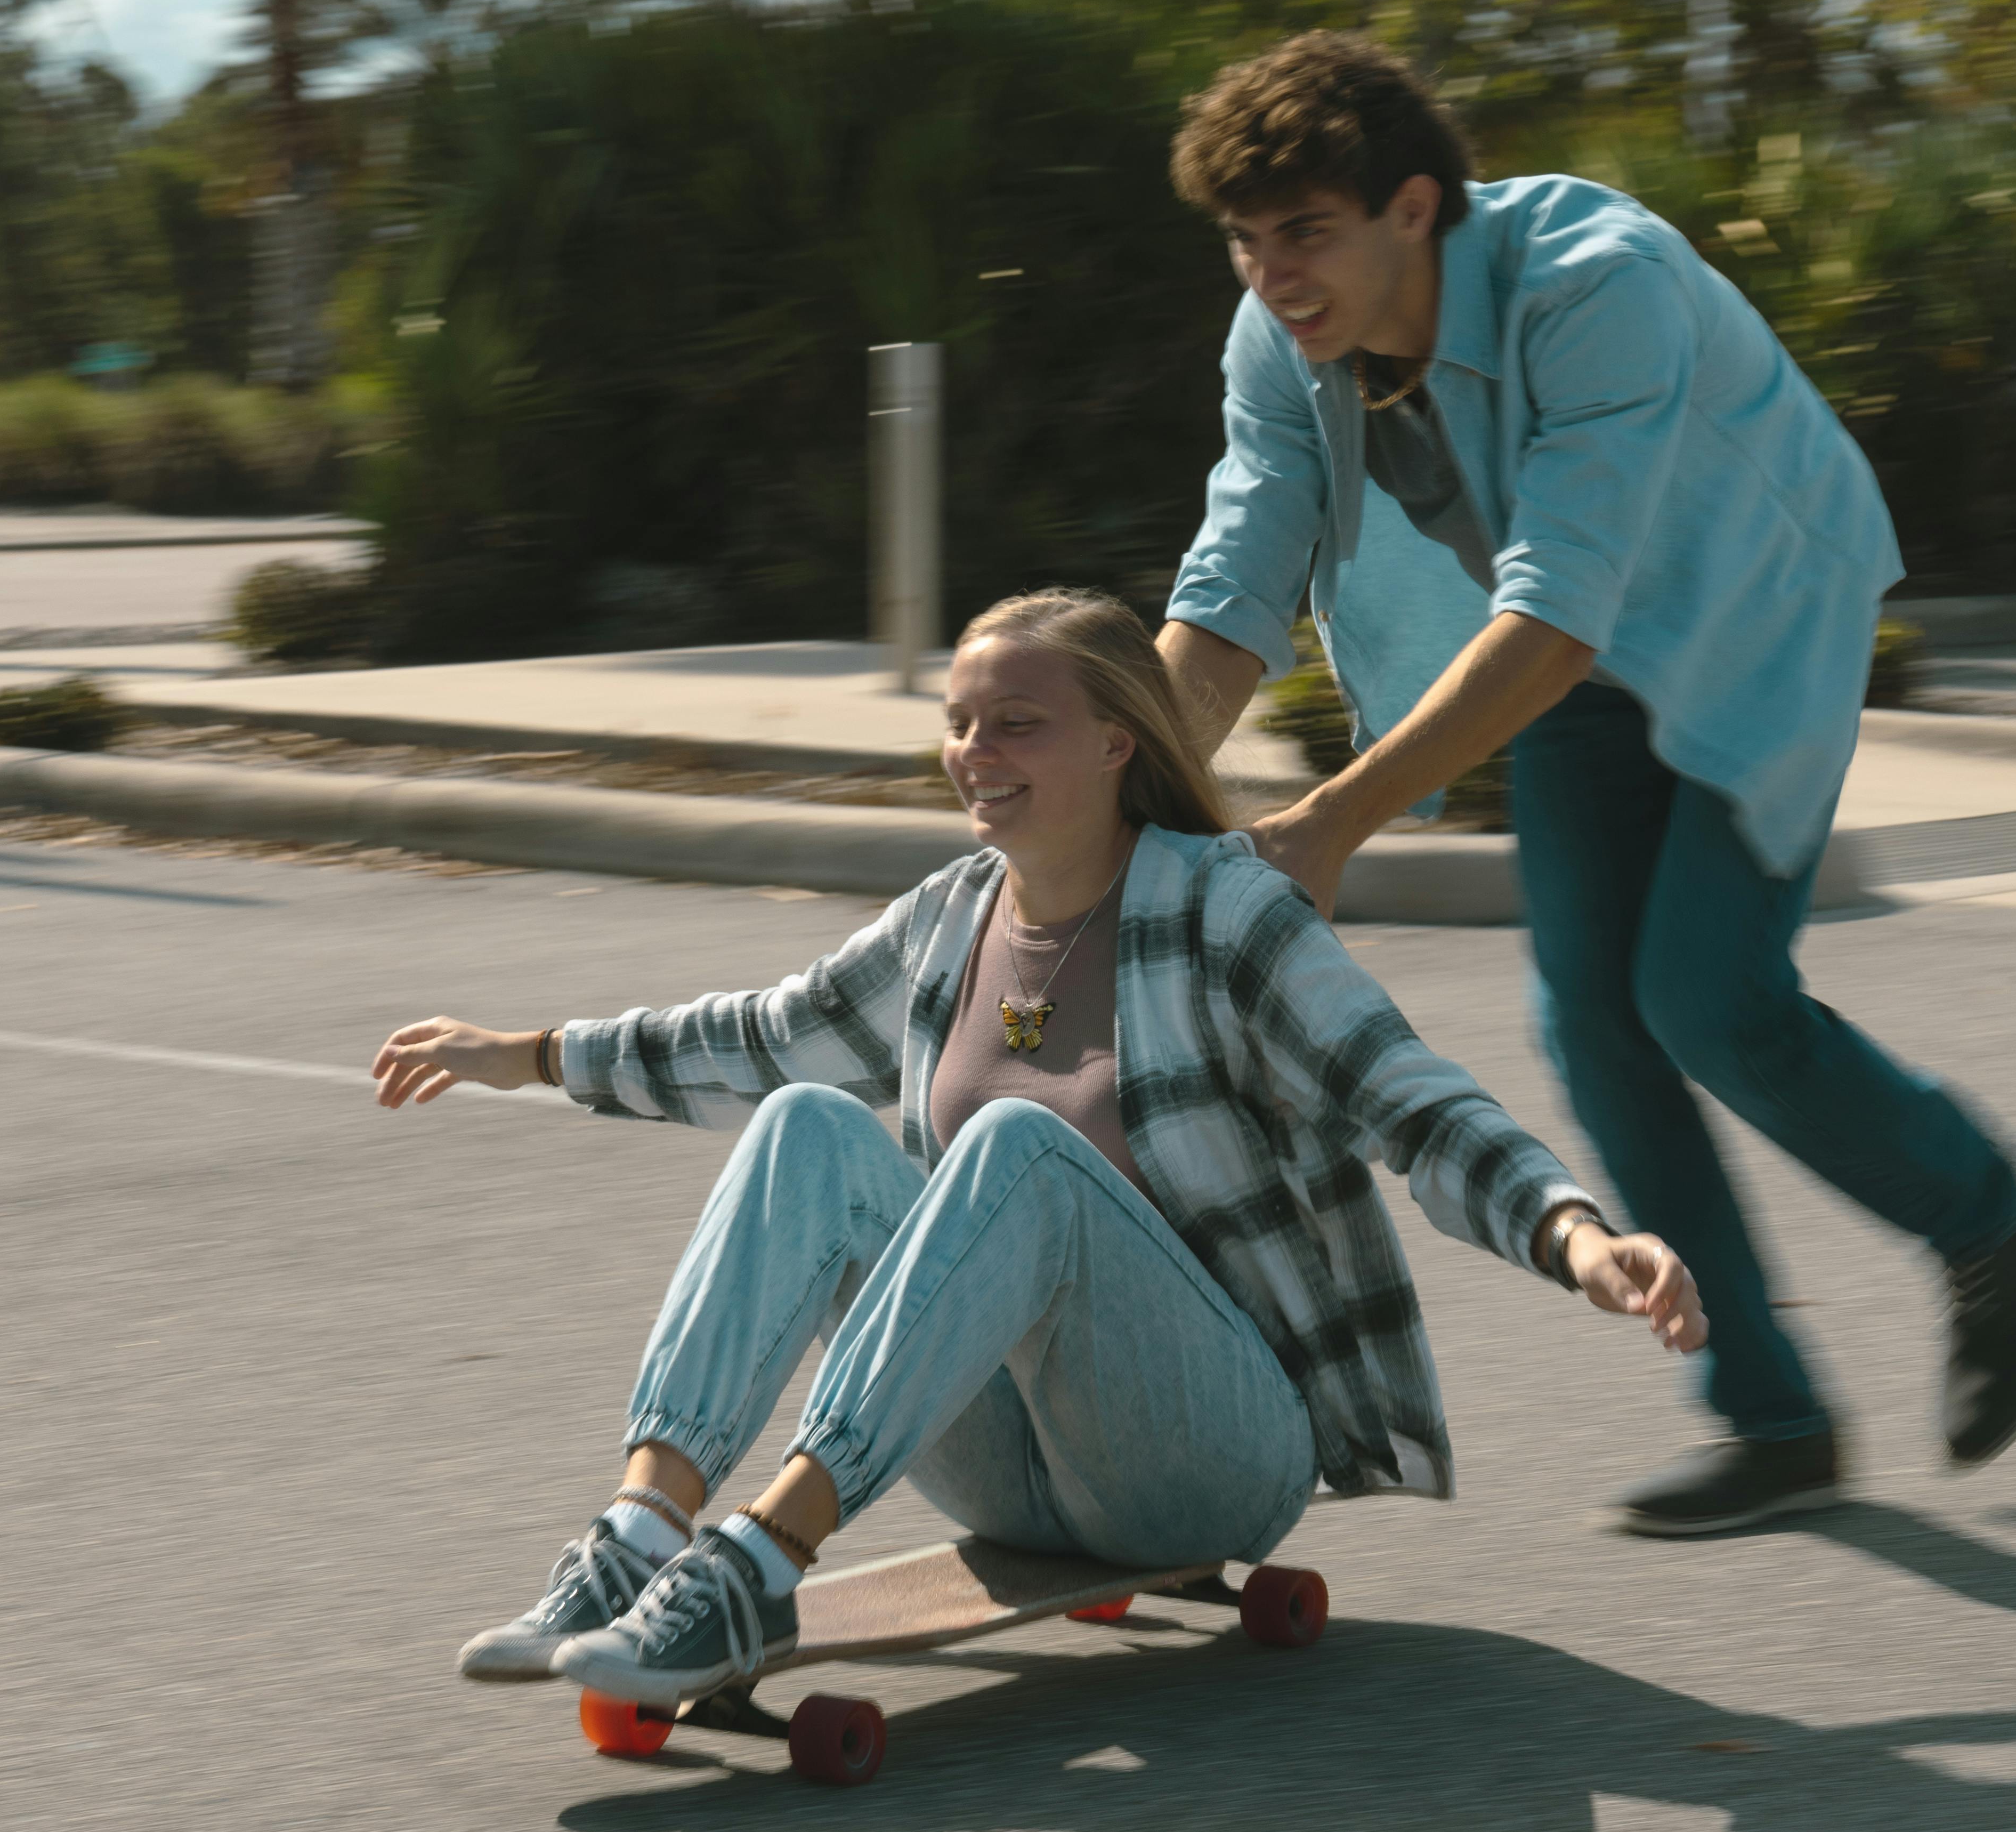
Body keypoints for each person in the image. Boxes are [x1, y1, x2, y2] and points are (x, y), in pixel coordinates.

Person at [371, 587, 1706, 1709]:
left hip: (1210, 1454)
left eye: (1017, 722)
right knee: (805, 1124)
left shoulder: (1223, 914)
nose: (973, 750)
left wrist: (1574, 1234)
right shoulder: (948, 921)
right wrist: (533, 1052)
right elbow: (764, 1036)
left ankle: (751, 1574)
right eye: (957, 723)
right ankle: (637, 1539)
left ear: (1123, 744)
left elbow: (1410, 1102)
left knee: (1013, 1144)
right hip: (1009, 1467)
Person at [1155, 33, 2016, 1540]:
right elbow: (1235, 581)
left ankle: (1994, 1220)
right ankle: (1774, 1420)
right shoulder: (1282, 343)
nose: (1273, 275)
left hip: (1753, 615)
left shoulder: (1597, 277)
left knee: (1709, 996)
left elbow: (1562, 607)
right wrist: (1120, 774)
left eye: (1305, 232)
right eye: (1248, 243)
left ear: (1415, 207)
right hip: (1570, 654)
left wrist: (1331, 823)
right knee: (1590, 1015)